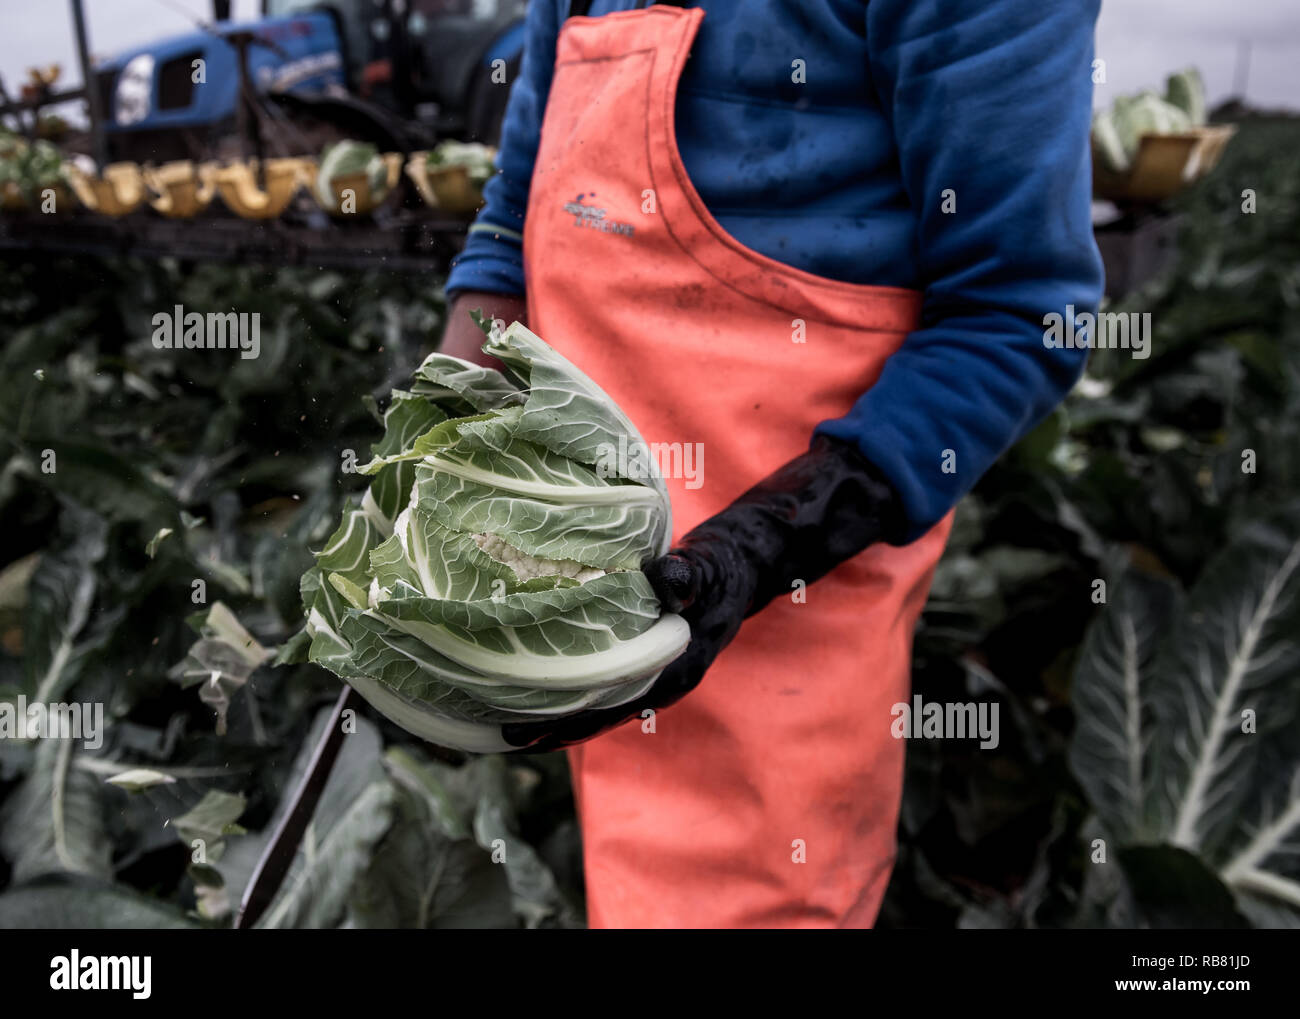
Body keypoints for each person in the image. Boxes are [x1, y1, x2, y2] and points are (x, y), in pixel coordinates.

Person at [440, 0, 1103, 928]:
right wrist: (437, 453)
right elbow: (512, 224)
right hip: (589, 613)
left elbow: (1020, 313)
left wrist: (753, 551)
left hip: (787, 630)